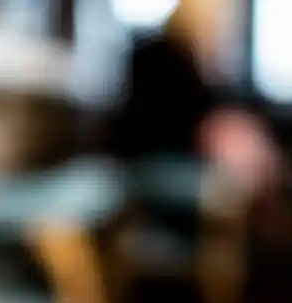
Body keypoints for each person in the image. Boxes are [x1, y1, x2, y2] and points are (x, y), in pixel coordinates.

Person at [107, 0, 279, 195]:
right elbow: (171, 121)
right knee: (228, 189)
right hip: (151, 161)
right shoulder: (157, 56)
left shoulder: (203, 63)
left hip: (179, 158)